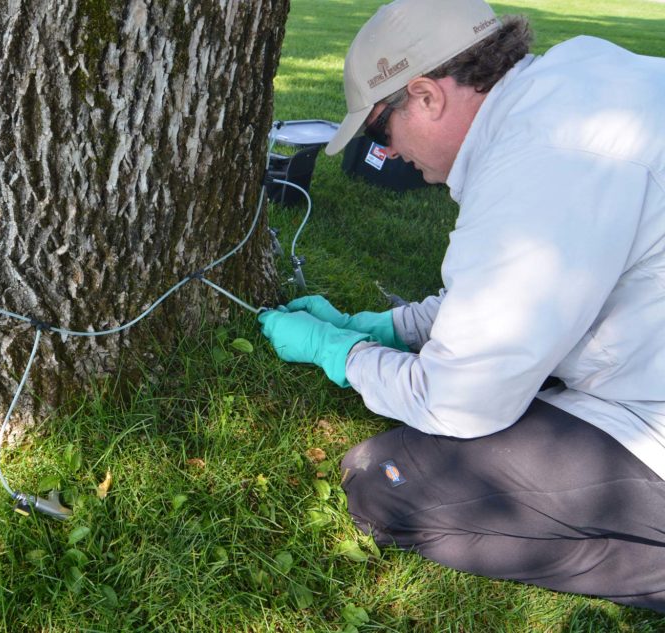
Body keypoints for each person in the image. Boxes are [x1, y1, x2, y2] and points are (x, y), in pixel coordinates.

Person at [257, 0, 665, 611]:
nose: (386, 153)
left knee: (378, 483)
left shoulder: (542, 165)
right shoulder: (570, 90)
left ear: (425, 96)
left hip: (650, 420)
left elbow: (457, 402)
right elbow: (508, 294)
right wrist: (390, 326)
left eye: (377, 130)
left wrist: (341, 353)